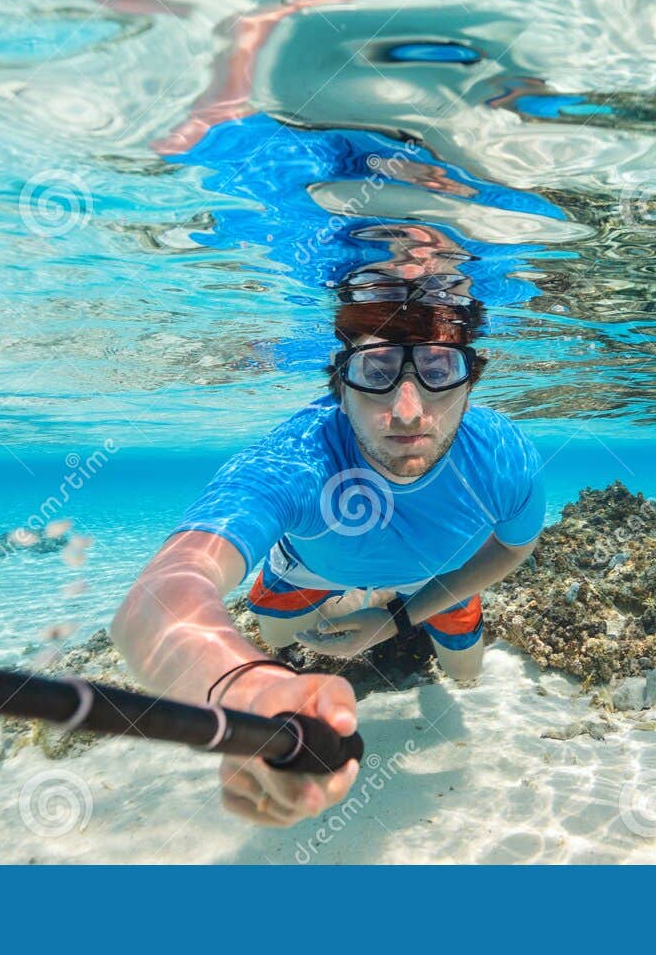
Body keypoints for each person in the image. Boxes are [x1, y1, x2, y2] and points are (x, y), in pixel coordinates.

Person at [110, 289, 545, 827]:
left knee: (466, 673)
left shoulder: (502, 458)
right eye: (376, 370)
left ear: (470, 383)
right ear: (341, 387)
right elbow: (156, 599)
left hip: (437, 573)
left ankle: (407, 618)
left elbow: (513, 546)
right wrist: (247, 688)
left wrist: (398, 619)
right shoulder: (296, 458)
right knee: (277, 640)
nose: (408, 412)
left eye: (438, 369)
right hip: (316, 566)